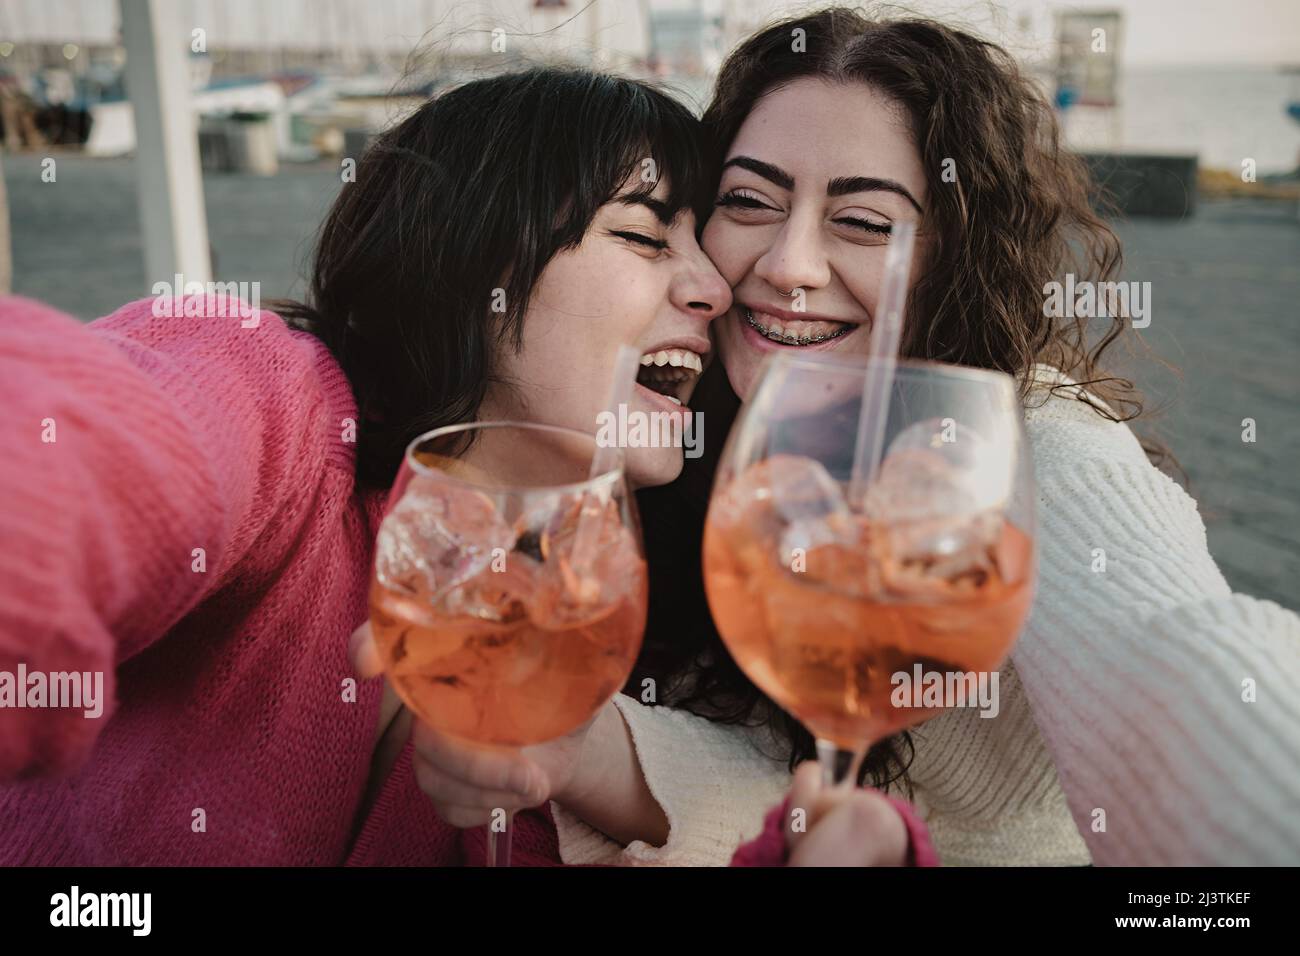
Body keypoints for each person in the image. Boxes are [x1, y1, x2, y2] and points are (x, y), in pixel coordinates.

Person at [0, 66, 931, 866]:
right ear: (473, 266)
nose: (717, 286)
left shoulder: (616, 615)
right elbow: (79, 443)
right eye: (645, 237)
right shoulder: (278, 398)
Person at [629, 8, 1300, 866]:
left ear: (954, 258)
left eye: (865, 222)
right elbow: (773, 770)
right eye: (750, 201)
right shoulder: (690, 434)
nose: (789, 265)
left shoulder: (1035, 449)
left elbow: (1169, 658)